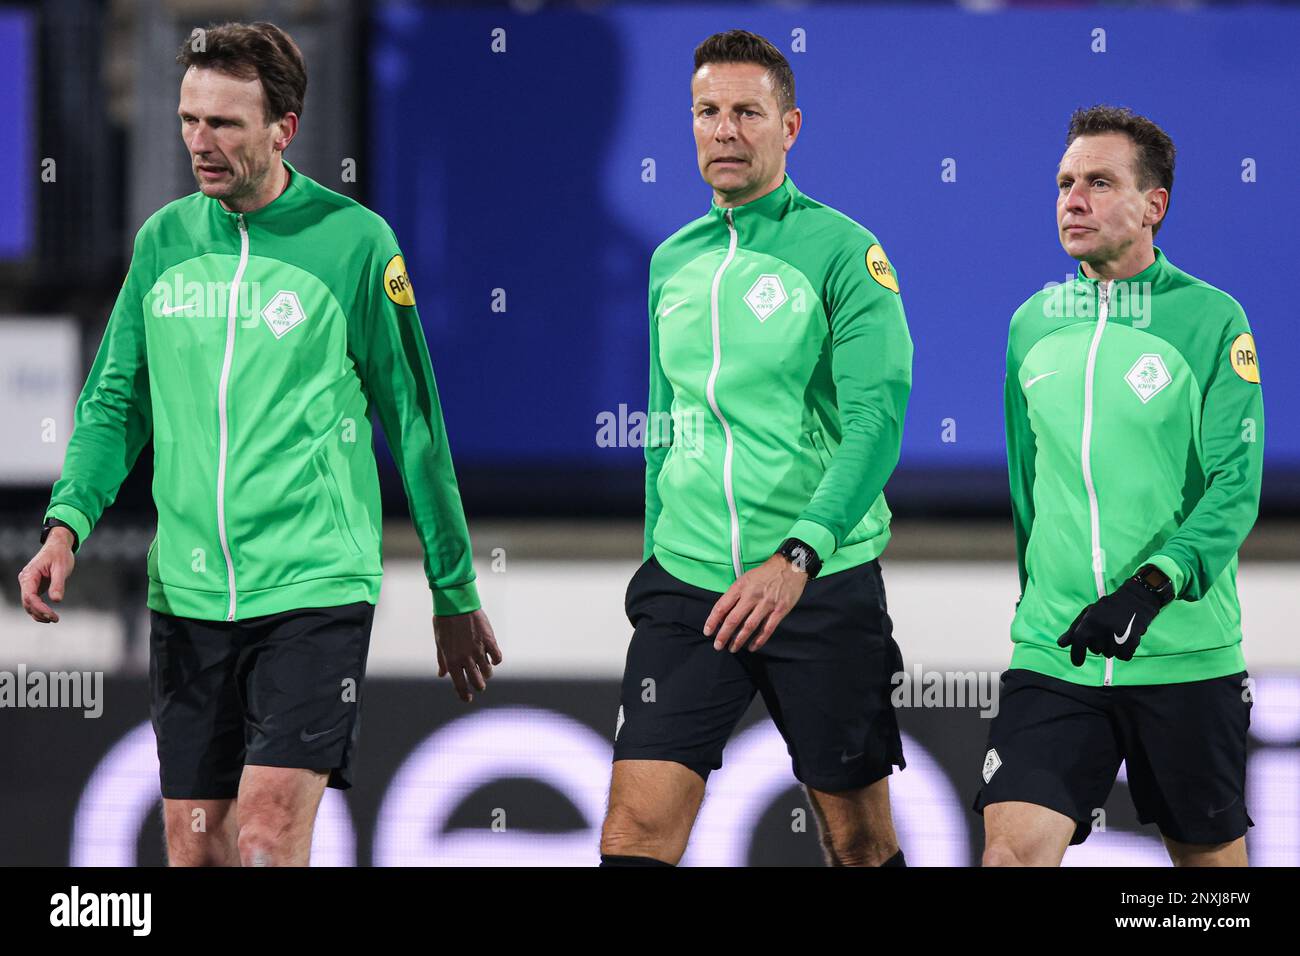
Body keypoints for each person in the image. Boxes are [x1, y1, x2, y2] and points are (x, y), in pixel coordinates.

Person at [16, 21, 501, 866]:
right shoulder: (163, 241)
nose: (199, 143)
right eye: (188, 120)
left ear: (284, 127)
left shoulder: (355, 244)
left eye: (224, 125)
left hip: (312, 587)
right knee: (194, 848)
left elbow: (415, 424)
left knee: (269, 833)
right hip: (189, 592)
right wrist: (66, 526)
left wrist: (453, 586)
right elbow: (114, 403)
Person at [599, 30, 913, 867]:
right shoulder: (672, 263)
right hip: (692, 588)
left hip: (818, 584)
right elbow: (662, 433)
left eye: (747, 112)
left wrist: (799, 555)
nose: (725, 130)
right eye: (707, 112)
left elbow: (877, 423)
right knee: (633, 834)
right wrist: (656, 562)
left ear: (791, 126)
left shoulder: (846, 253)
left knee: (858, 838)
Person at [975, 105, 1264, 867]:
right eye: (1066, 182)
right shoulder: (1031, 325)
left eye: (1099, 183)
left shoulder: (1211, 321)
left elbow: (1234, 489)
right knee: (1010, 856)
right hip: (1058, 653)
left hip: (1184, 656)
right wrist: (1037, 604)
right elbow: (1026, 489)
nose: (1073, 199)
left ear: (1153, 206)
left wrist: (1149, 589)